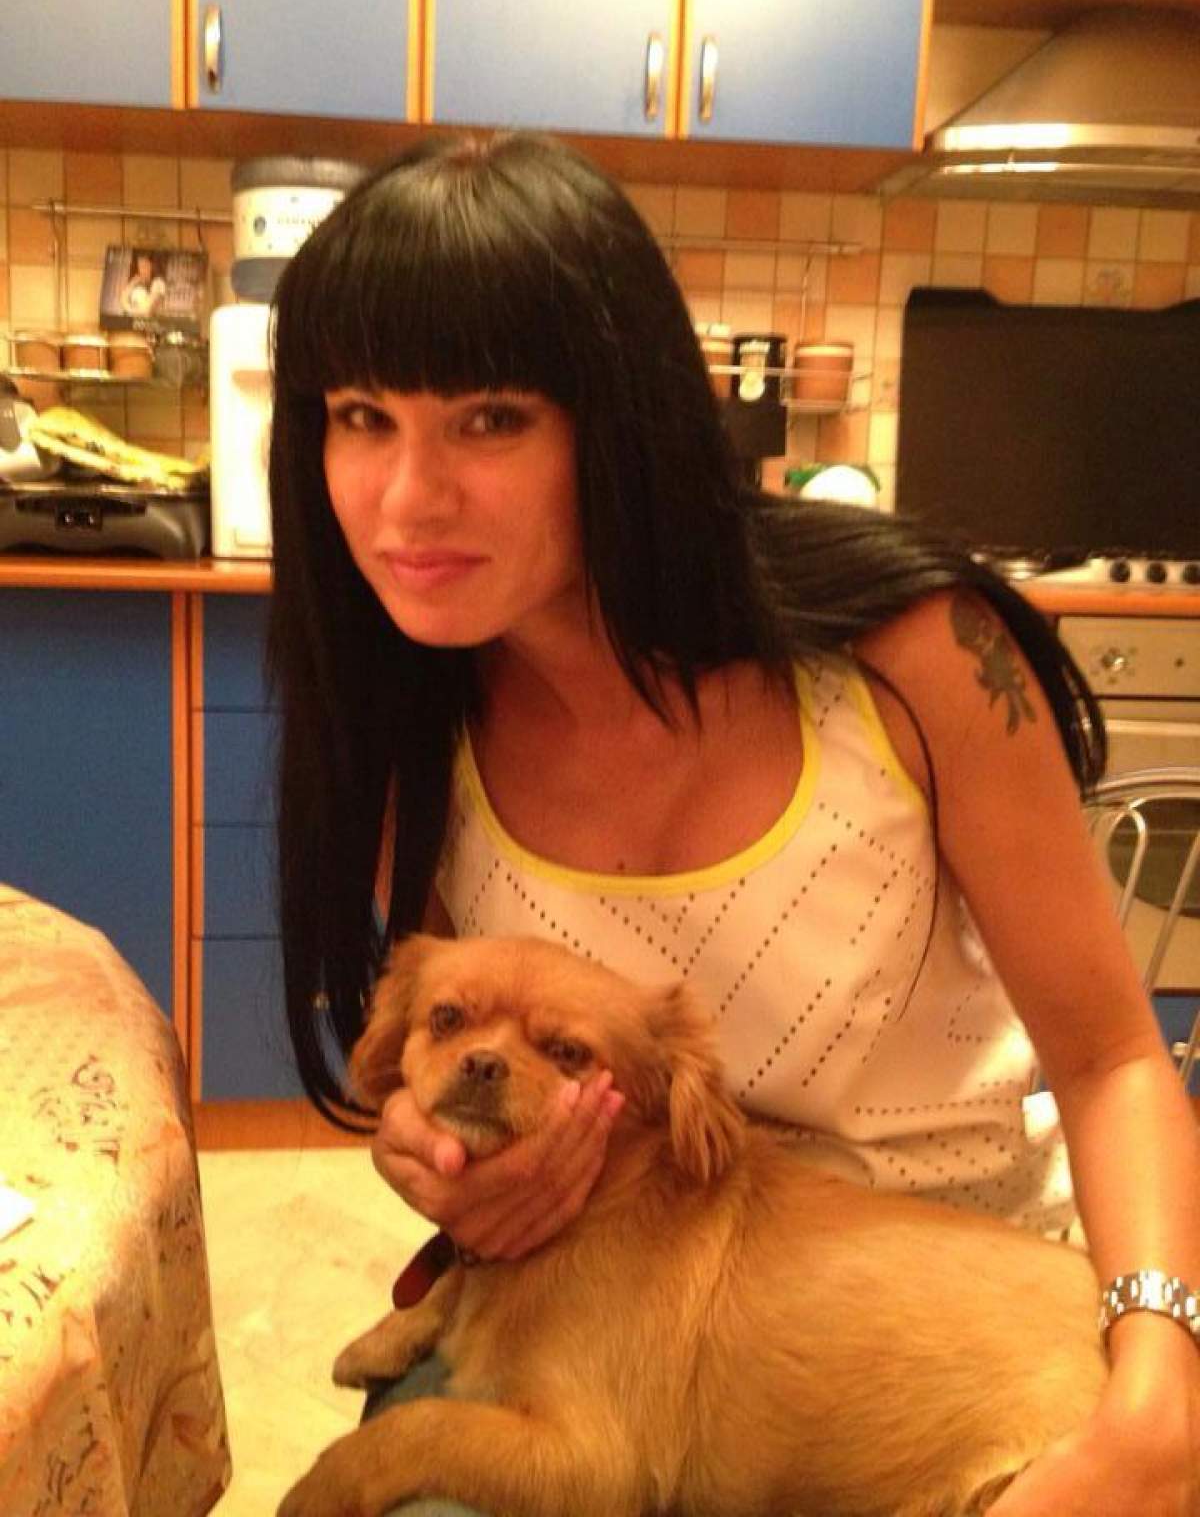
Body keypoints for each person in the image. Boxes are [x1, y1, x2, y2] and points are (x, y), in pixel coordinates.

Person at [267, 132, 1199, 1516]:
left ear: (619, 419)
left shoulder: (911, 658)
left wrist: (1158, 1390)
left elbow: (1115, 1059)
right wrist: (434, 1160)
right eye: (362, 416)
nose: (407, 497)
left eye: (490, 418)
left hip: (946, 1326)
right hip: (601, 1304)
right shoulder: (411, 718)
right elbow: (447, 1049)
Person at [120, 248, 167, 318]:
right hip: (133, 319)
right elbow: (122, 301)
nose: (142, 270)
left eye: (145, 265)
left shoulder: (159, 283)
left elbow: (146, 310)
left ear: (151, 266)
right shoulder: (136, 282)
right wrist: (132, 284)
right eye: (140, 266)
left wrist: (128, 309)